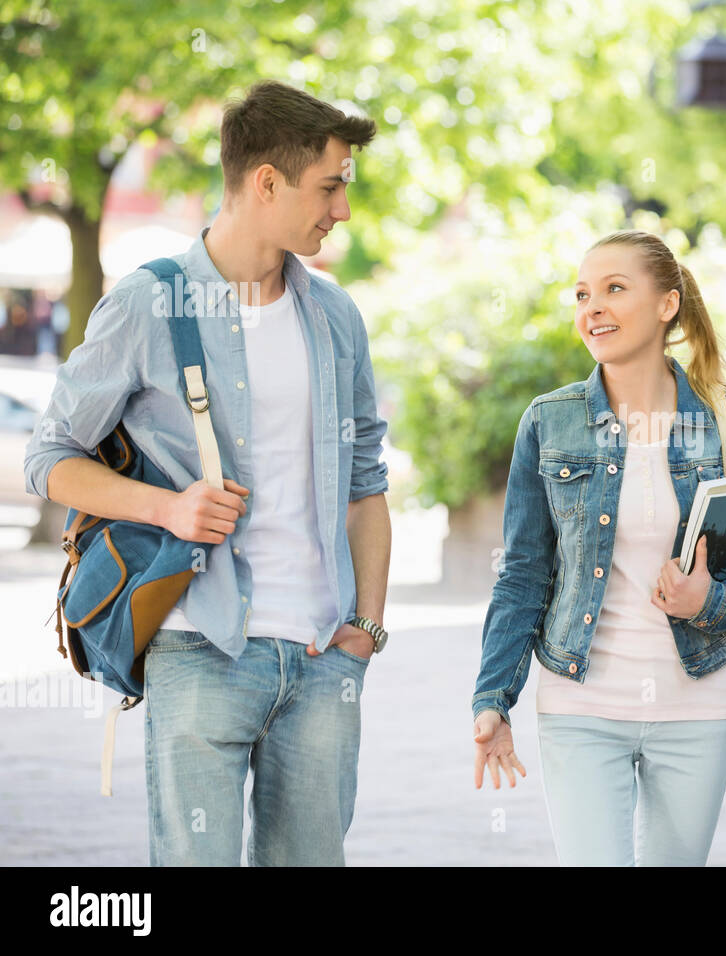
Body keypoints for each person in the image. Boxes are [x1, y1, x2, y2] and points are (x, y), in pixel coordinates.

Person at [24, 81, 392, 866]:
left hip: (326, 656)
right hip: (201, 645)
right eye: (330, 187)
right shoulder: (149, 302)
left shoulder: (334, 317)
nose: (343, 211)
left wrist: (366, 626)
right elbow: (48, 457)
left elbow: (368, 486)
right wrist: (167, 508)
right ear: (267, 182)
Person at [471, 229, 726, 865]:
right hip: (581, 702)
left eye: (615, 289)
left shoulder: (725, 415)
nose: (593, 307)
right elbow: (523, 575)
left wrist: (713, 599)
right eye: (582, 294)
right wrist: (492, 698)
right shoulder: (549, 420)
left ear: (667, 303)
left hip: (697, 702)